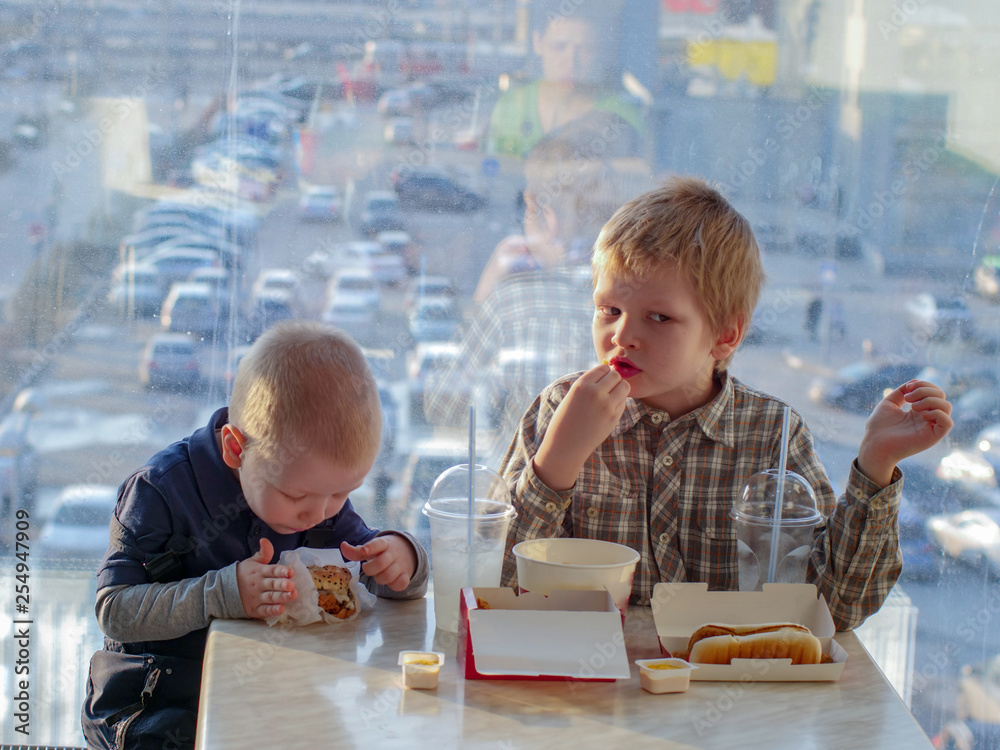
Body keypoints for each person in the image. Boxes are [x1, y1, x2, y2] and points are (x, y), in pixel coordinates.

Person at [498, 176, 953, 631]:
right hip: (588, 685)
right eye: (609, 310)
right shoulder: (558, 409)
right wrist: (557, 460)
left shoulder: (773, 434)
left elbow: (837, 606)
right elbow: (499, 585)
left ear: (724, 335)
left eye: (659, 317)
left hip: (728, 692)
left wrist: (876, 463)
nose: (621, 336)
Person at [82, 321, 429, 750]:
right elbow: (115, 610)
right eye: (297, 496)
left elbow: (370, 570)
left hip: (267, 690)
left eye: (342, 493)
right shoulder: (160, 492)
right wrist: (221, 594)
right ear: (235, 448)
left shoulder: (316, 495)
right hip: (155, 699)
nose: (319, 514)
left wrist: (402, 559)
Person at [424, 115, 651, 467]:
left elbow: (444, 403)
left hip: (519, 500)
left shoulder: (513, 302)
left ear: (544, 215)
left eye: (527, 206)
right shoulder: (653, 309)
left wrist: (487, 293)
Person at [487, 0, 645, 158]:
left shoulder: (621, 116)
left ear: (598, 49)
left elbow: (639, 173)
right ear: (537, 42)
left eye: (585, 49)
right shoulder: (511, 106)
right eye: (559, 47)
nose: (571, 62)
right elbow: (492, 170)